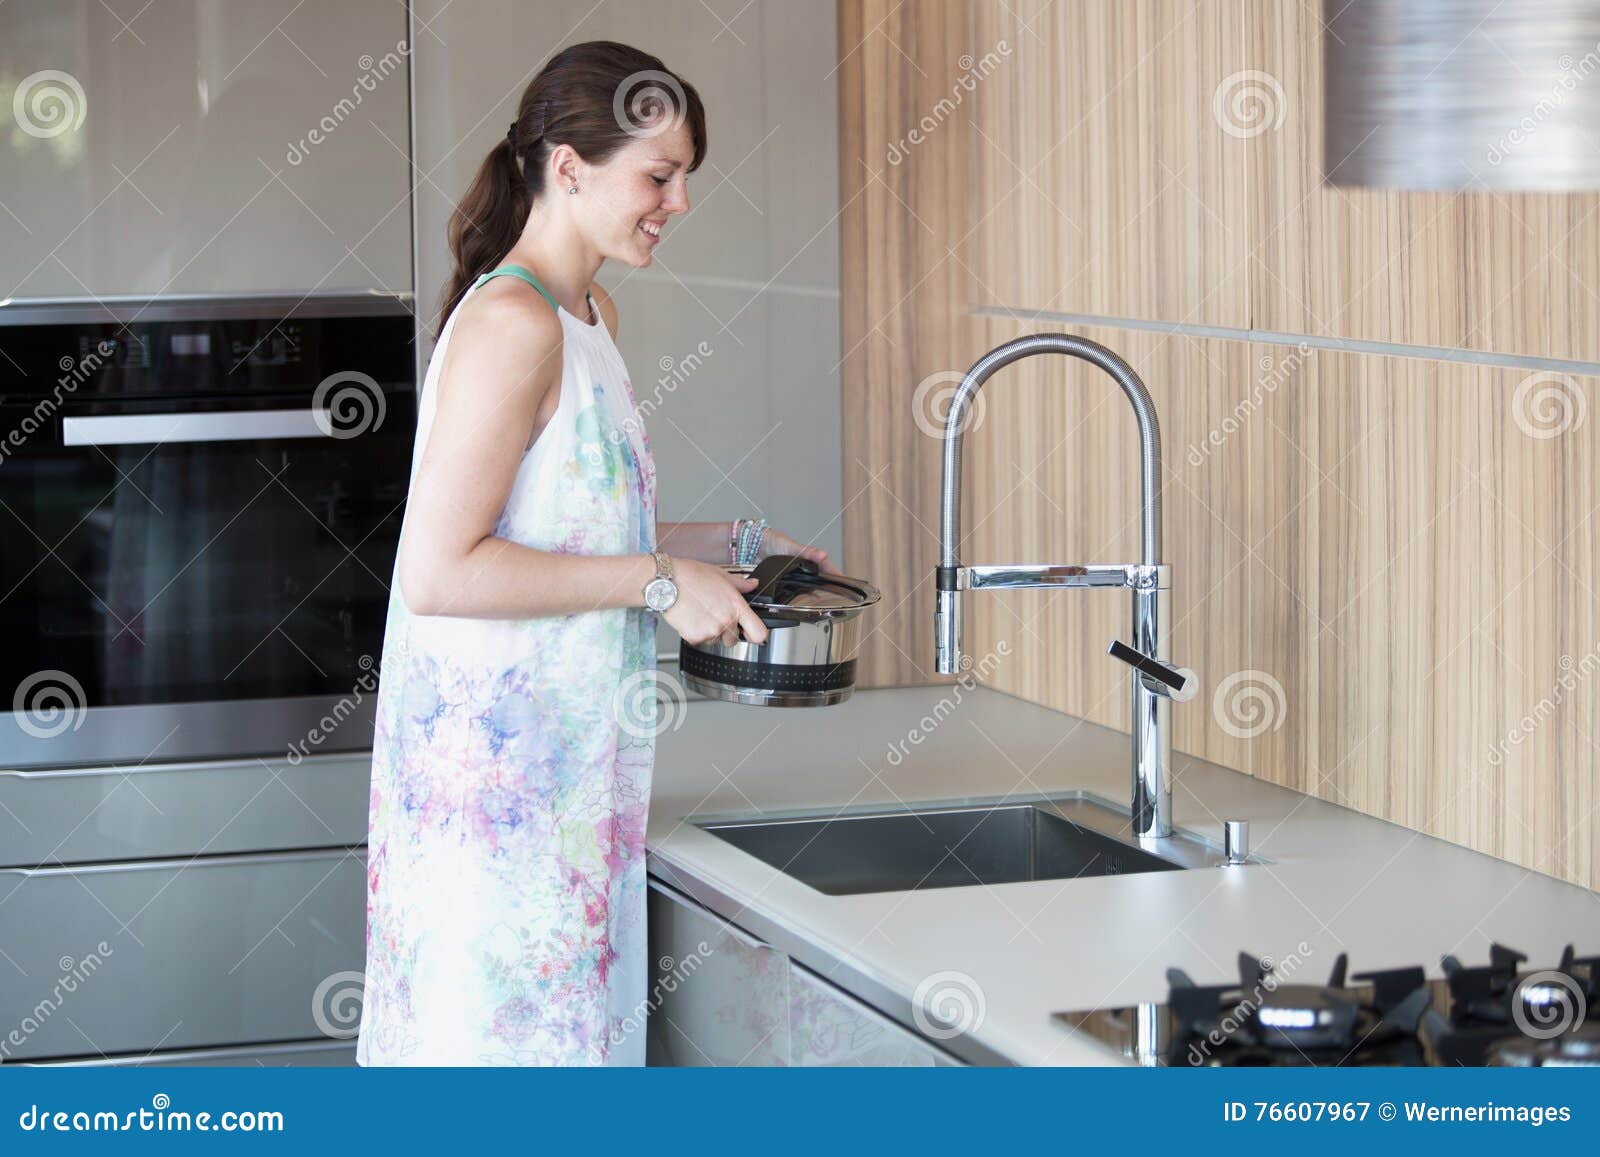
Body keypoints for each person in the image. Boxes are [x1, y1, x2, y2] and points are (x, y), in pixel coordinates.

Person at [356, 40, 832, 1066]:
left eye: (684, 175)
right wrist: (658, 583)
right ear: (567, 165)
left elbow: (574, 534)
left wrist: (741, 546)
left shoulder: (586, 316)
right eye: (658, 175)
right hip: (492, 826)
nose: (680, 201)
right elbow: (441, 571)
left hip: (569, 799)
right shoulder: (511, 323)